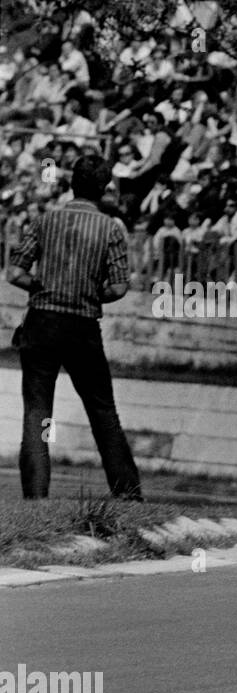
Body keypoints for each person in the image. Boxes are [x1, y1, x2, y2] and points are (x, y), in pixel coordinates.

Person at [6, 156, 143, 500]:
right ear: (104, 188)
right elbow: (118, 287)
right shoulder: (111, 228)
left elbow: (15, 273)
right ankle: (127, 494)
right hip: (82, 325)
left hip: (42, 322)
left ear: (72, 184)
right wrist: (88, 293)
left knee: (38, 412)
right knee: (102, 410)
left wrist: (41, 285)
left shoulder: (44, 220)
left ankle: (36, 497)